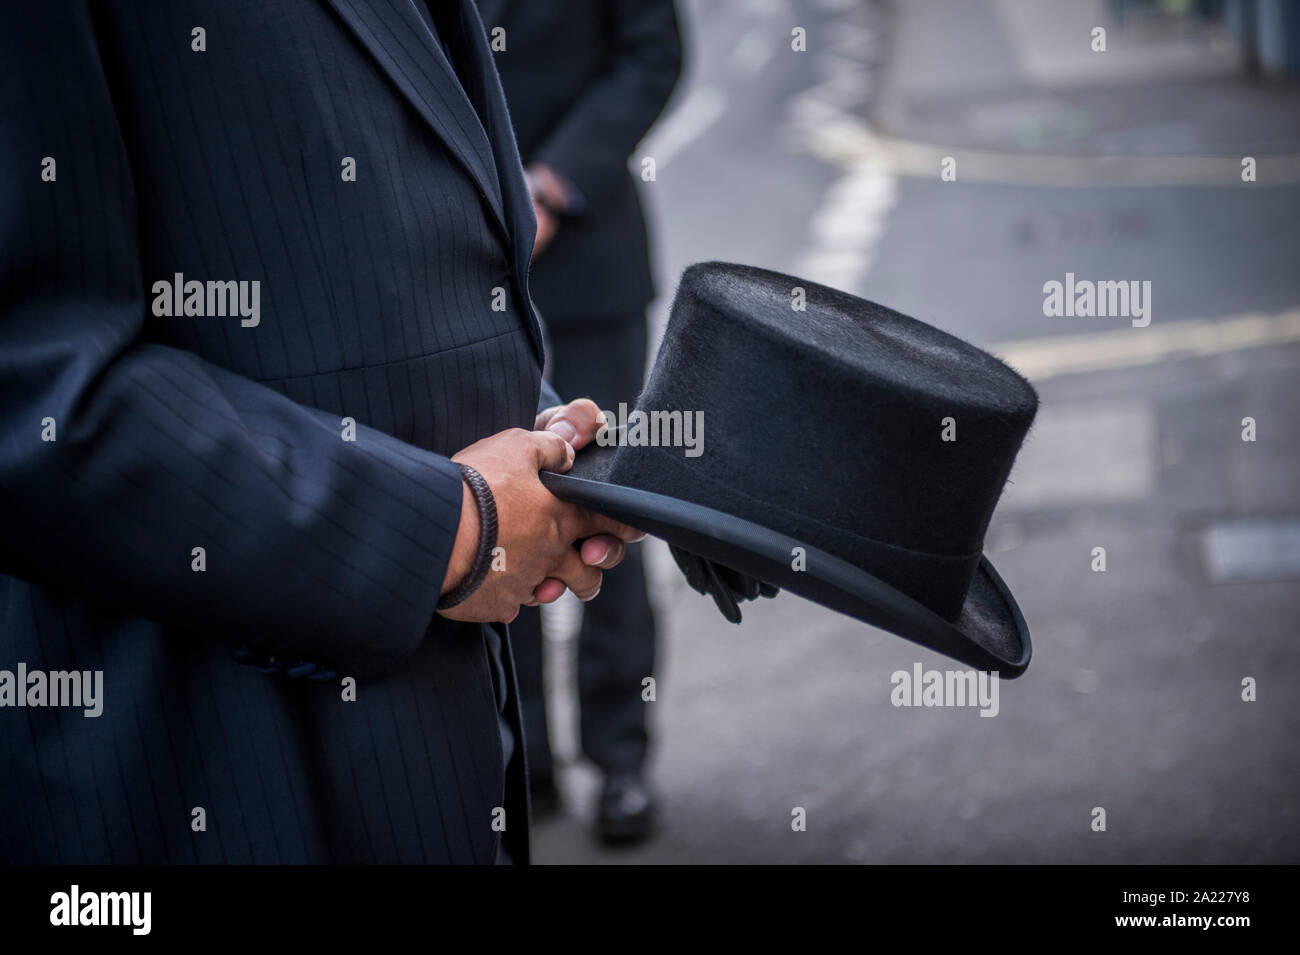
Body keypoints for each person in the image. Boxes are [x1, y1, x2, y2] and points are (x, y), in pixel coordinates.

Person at [0, 0, 643, 865]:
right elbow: (34, 384)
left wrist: (539, 437)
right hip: (211, 777)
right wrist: (452, 531)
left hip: (434, 755)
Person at [476, 0, 683, 843]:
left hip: (589, 266)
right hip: (470, 272)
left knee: (610, 510)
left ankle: (621, 759)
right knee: (496, 510)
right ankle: (524, 759)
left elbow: (652, 54)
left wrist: (551, 185)